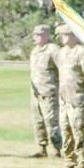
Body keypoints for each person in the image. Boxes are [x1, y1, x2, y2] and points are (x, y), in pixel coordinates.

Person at [55, 25, 84, 168]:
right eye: (62, 35)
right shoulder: (62, 53)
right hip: (64, 99)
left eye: (66, 35)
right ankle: (69, 160)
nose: (63, 37)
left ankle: (83, 162)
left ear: (73, 35)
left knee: (79, 130)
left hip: (78, 99)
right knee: (65, 130)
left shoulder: (82, 52)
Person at [28, 24, 62, 158]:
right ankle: (42, 148)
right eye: (35, 34)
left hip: (49, 92)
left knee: (51, 122)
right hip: (36, 93)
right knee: (38, 122)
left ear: (47, 35)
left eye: (39, 34)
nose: (36, 37)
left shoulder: (53, 50)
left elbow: (63, 68)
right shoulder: (35, 51)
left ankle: (57, 149)